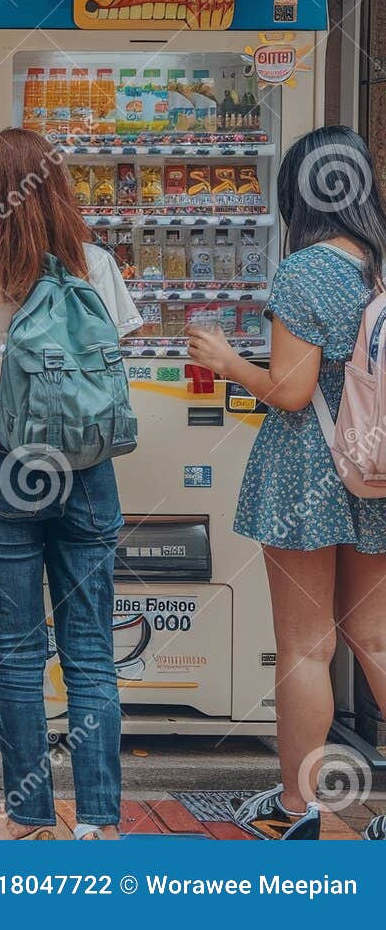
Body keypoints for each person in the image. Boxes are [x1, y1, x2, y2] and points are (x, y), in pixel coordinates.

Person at [0, 128, 140, 841]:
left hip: (3, 469)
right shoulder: (97, 266)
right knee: (90, 652)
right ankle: (102, 825)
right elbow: (114, 359)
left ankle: (27, 818)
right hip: (87, 473)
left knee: (19, 651)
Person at [188, 125, 386, 842]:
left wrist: (222, 358)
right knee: (377, 638)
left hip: (309, 468)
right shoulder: (380, 265)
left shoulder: (306, 272)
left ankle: (300, 809)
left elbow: (291, 391)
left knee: (306, 646)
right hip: (375, 466)